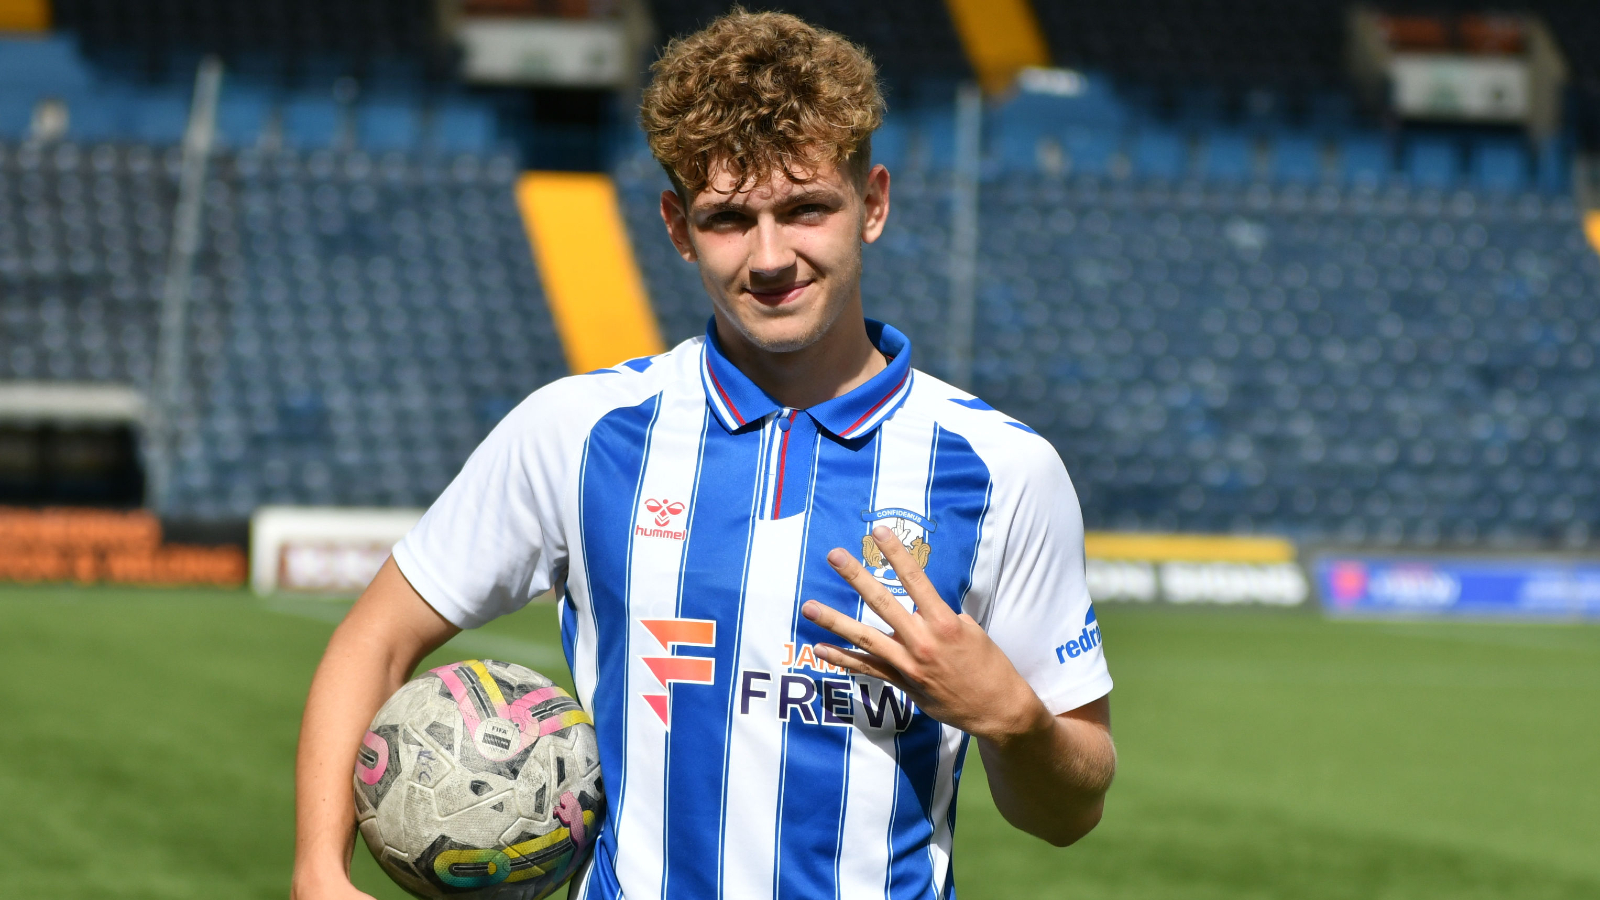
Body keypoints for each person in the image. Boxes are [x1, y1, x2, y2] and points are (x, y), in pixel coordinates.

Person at [291, 11, 1115, 900]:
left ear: (872, 204)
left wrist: (1016, 721)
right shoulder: (580, 431)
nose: (771, 257)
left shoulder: (1001, 471)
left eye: (805, 209)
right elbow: (374, 640)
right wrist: (317, 872)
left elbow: (1068, 812)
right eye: (728, 219)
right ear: (678, 226)